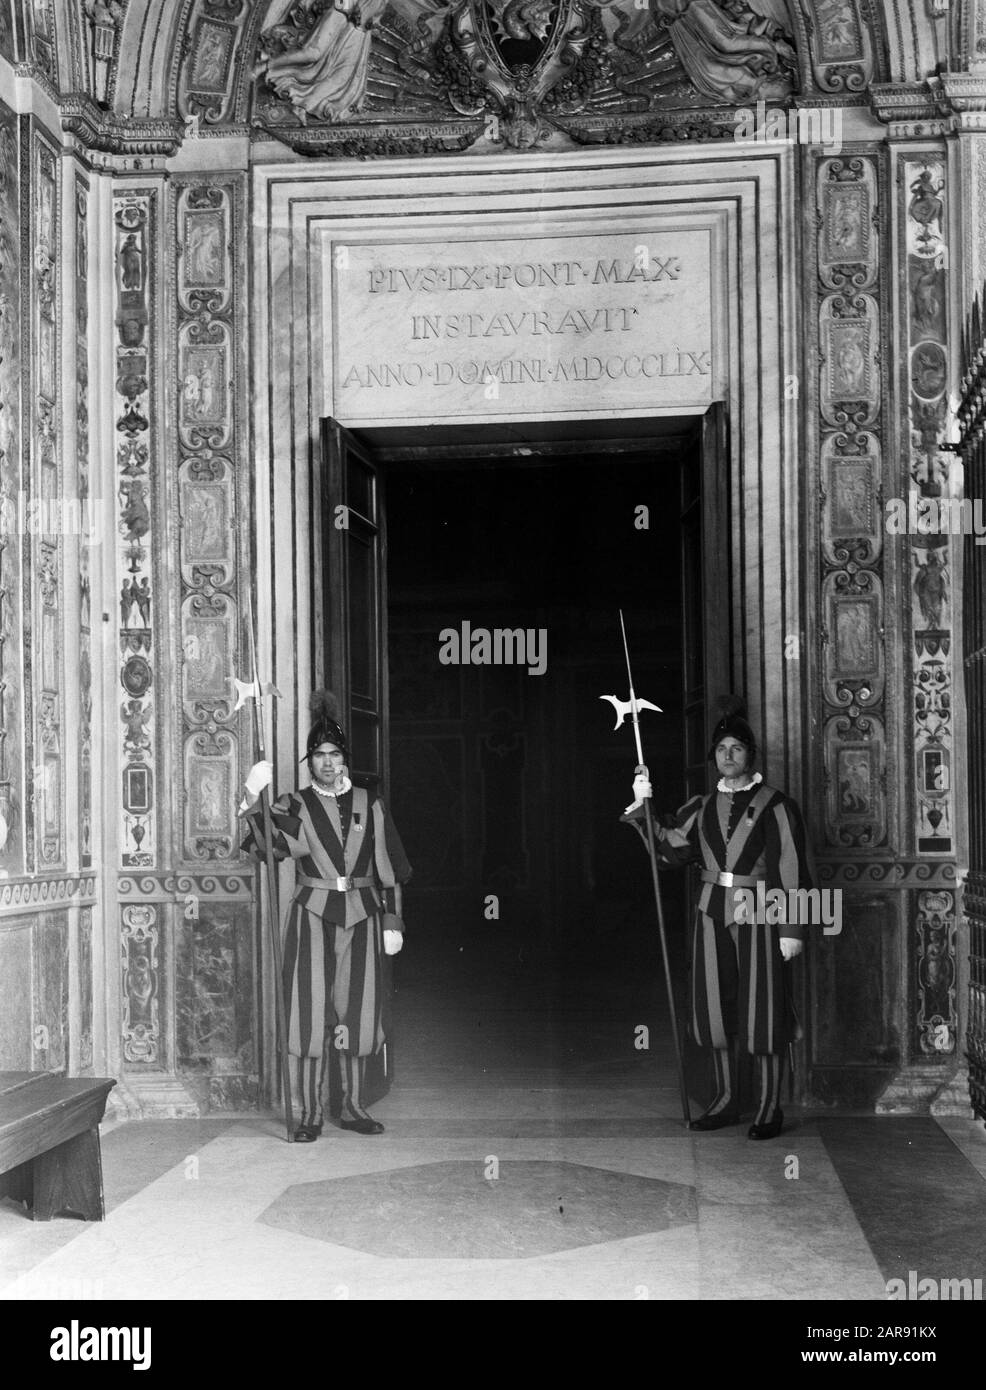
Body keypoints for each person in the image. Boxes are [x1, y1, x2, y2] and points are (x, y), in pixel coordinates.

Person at [622, 701, 813, 1139]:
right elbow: (671, 849)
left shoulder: (777, 806)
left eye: (737, 748)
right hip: (710, 913)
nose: (728, 755)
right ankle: (725, 1101)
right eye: (722, 749)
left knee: (764, 1010)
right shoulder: (701, 806)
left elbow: (792, 869)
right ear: (714, 757)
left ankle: (768, 1108)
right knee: (715, 1008)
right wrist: (642, 802)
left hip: (762, 914)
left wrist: (792, 930)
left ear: (751, 756)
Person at [240, 690, 411, 1140]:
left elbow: (391, 868)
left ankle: (352, 1107)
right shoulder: (294, 804)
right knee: (310, 1012)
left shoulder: (370, 803)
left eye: (335, 754)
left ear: (344, 758)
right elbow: (264, 848)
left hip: (364, 916)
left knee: (357, 1011)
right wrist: (252, 795)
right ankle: (311, 1113)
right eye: (319, 755)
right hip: (312, 915)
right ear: (309, 761)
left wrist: (393, 922)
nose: (328, 763)